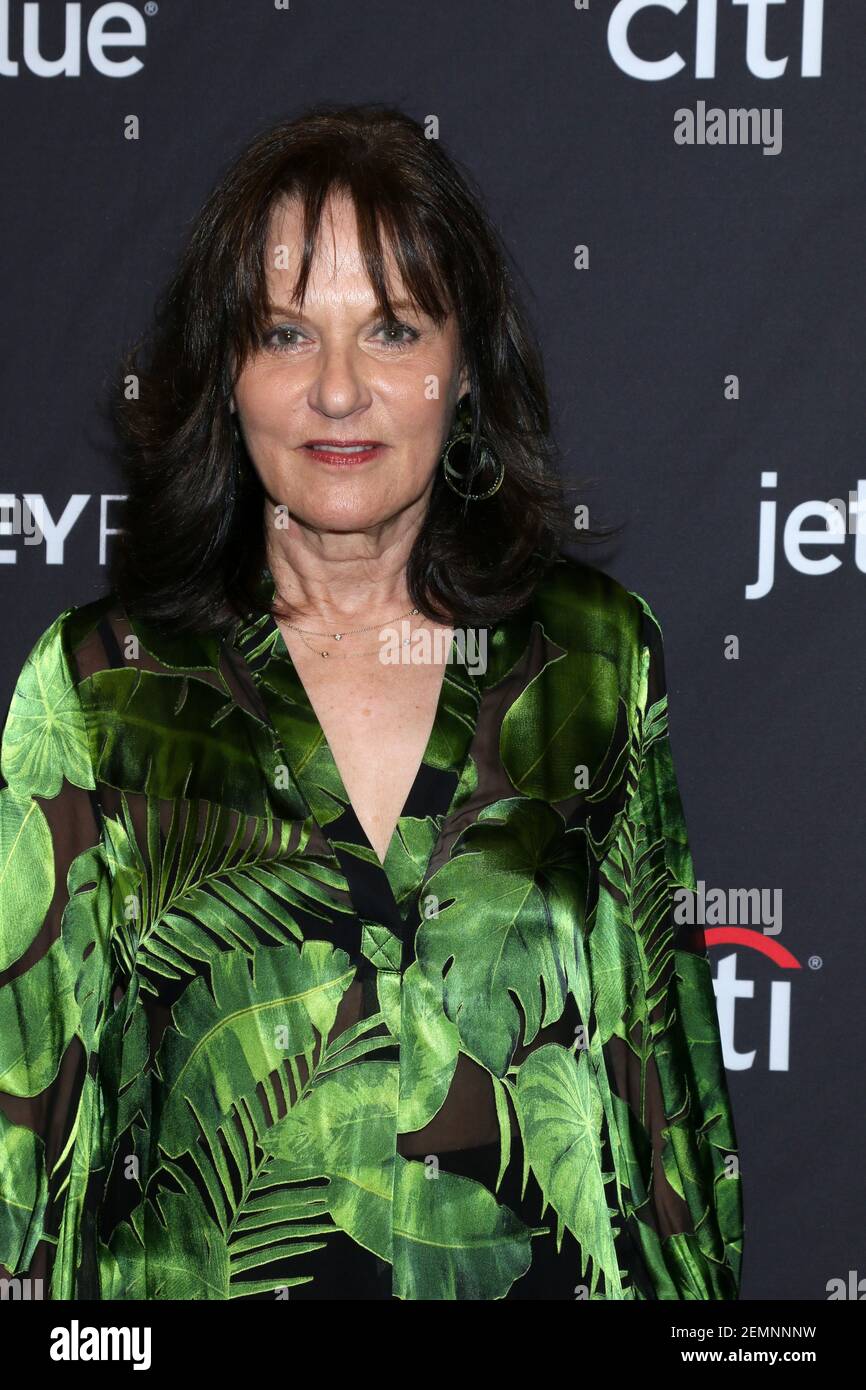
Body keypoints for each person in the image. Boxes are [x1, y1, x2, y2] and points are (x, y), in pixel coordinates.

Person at [0, 103, 743, 1300]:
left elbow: (665, 1115)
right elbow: (19, 1139)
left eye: (391, 330)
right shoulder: (103, 686)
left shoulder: (593, 663)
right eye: (286, 333)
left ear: (463, 370)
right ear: (223, 373)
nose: (337, 392)